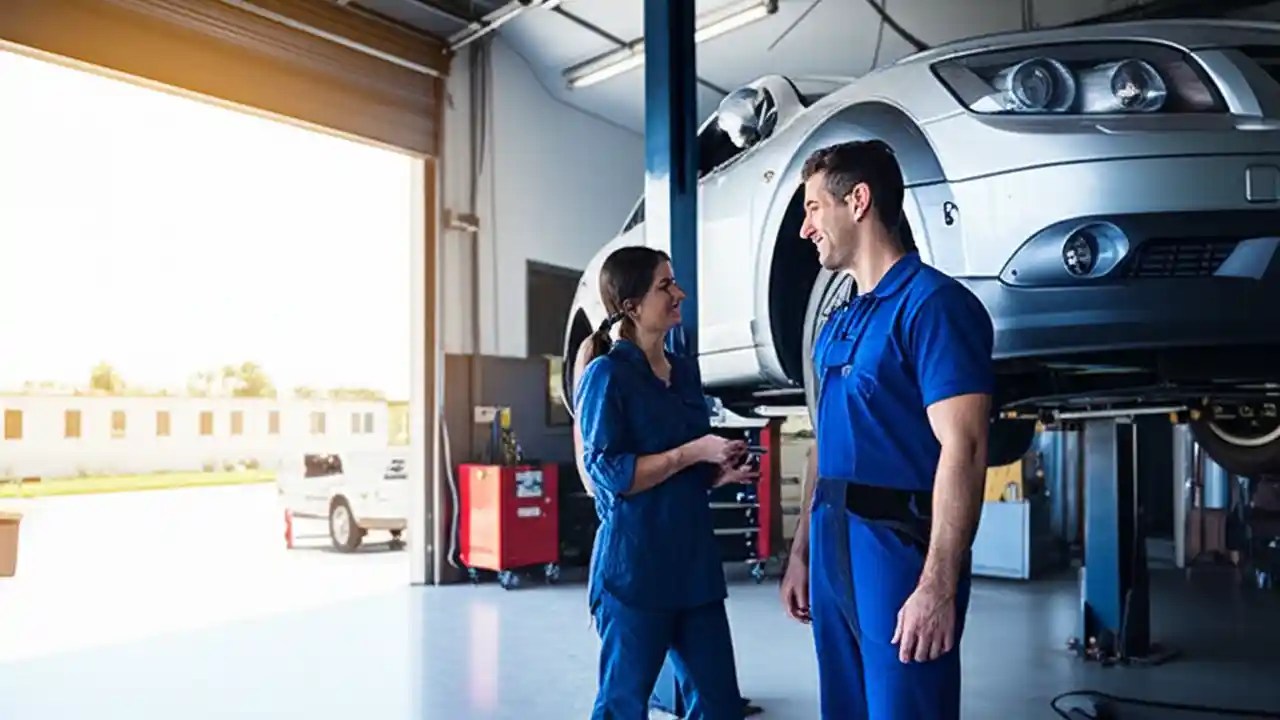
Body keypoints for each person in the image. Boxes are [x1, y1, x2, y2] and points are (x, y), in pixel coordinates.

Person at [778, 140, 995, 719]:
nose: (805, 229)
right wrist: (800, 554)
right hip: (832, 550)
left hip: (897, 555)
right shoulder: (840, 320)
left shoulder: (935, 307)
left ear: (859, 201)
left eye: (812, 209)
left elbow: (966, 447)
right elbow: (825, 442)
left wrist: (939, 586)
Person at [575, 245, 759, 720]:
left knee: (719, 707)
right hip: (634, 572)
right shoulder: (606, 376)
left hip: (693, 569)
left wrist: (716, 472)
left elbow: (681, 474)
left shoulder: (685, 373)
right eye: (665, 286)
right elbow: (612, 477)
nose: (679, 293)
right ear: (631, 306)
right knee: (622, 706)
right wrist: (694, 452)